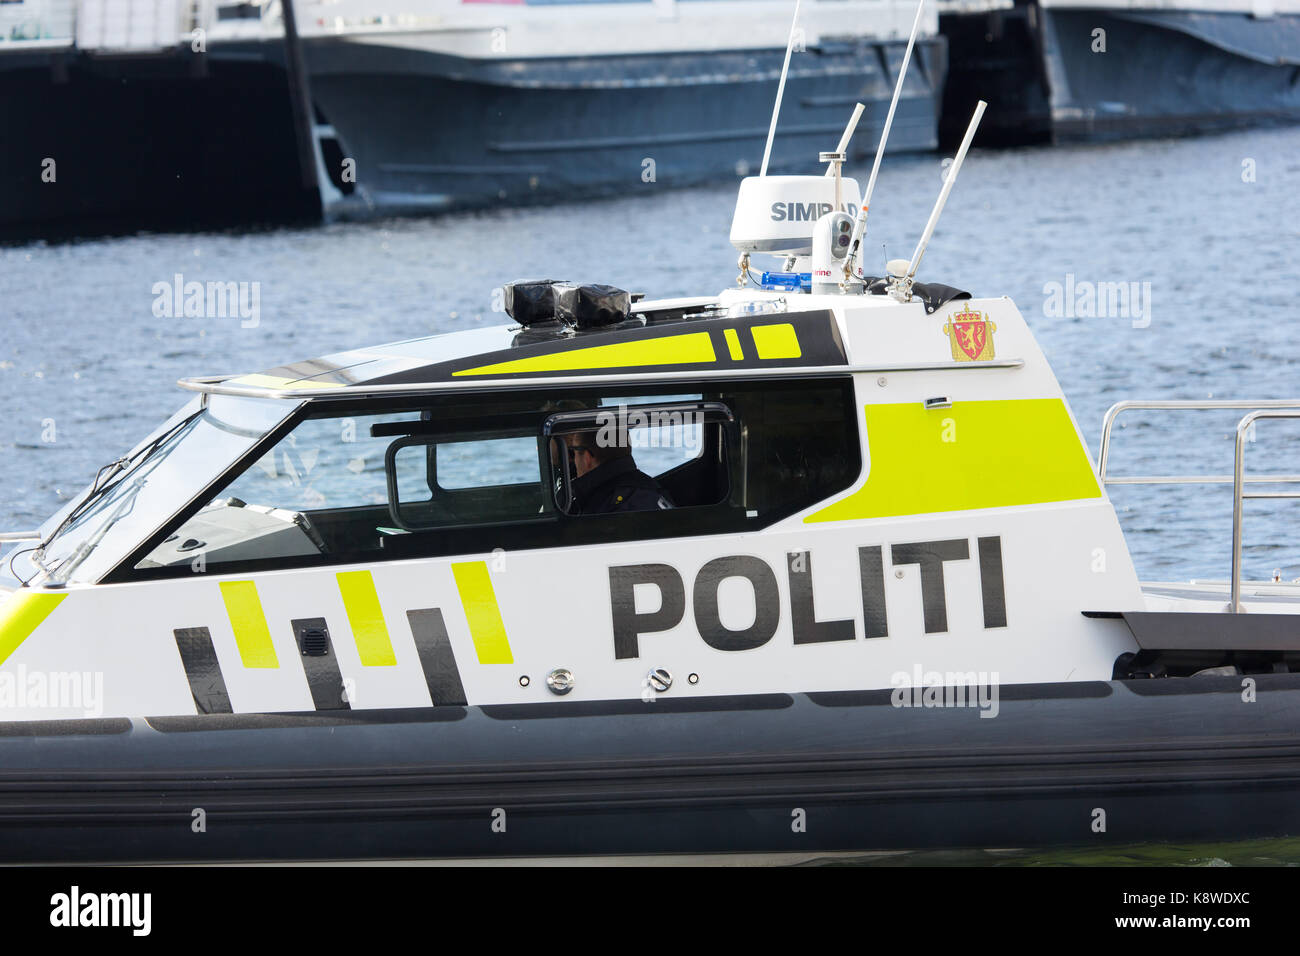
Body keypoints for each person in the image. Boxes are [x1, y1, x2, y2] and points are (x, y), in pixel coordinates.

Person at [564, 431, 673, 515]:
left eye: (573, 452)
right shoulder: (648, 488)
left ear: (587, 457)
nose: (573, 461)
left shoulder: (607, 509)